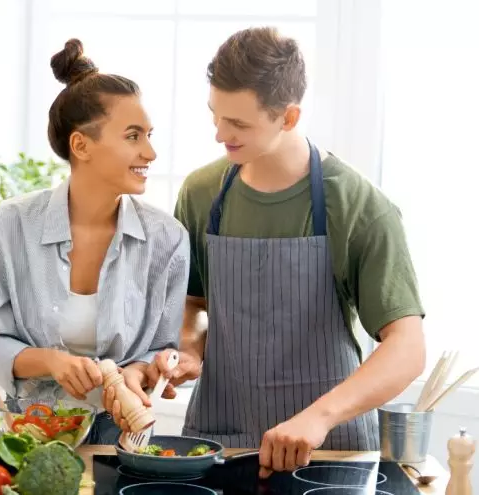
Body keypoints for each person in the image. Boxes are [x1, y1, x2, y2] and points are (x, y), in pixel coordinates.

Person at [106, 26, 426, 474]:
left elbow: (407, 348)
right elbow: (195, 302)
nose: (219, 133)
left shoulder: (357, 205)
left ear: (289, 118)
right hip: (222, 438)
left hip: (328, 449)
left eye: (237, 123)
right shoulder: (202, 194)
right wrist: (189, 350)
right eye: (215, 114)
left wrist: (318, 418)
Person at [0, 38, 190, 445]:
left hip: (123, 438)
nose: (151, 152)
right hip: (30, 432)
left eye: (149, 135)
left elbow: (162, 349)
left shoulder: (168, 240)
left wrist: (140, 372)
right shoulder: (9, 226)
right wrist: (52, 362)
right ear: (81, 145)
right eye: (133, 136)